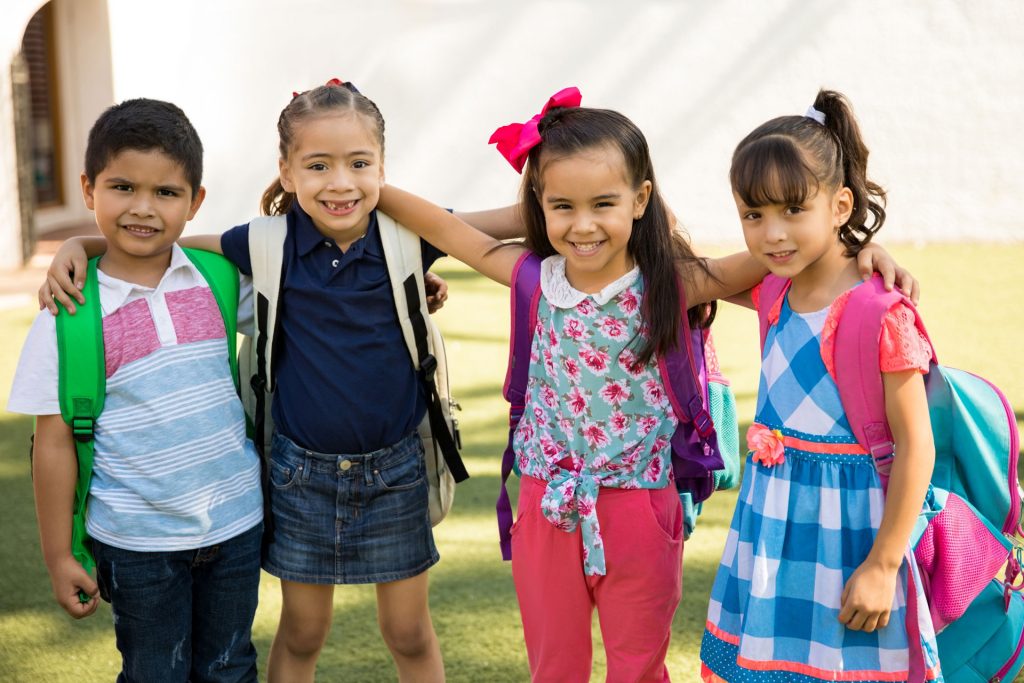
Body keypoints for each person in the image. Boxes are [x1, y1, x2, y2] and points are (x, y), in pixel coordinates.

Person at [373, 86, 911, 682]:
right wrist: (371, 190)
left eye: (604, 203)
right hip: (546, 504)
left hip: (640, 507)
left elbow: (785, 246)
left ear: (641, 199)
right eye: (562, 208)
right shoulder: (531, 277)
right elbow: (450, 233)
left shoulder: (672, 282)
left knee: (638, 670)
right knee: (554, 670)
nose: (583, 226)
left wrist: (863, 248)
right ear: (540, 206)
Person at [36, 80, 485, 683]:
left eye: (360, 164)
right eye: (317, 165)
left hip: (388, 472)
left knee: (404, 632)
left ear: (383, 166)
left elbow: (504, 226)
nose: (340, 182)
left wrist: (390, 210)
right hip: (295, 477)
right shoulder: (262, 245)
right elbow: (161, 241)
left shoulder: (400, 238)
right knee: (294, 635)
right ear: (287, 169)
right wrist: (81, 243)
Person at [8, 98, 264, 682]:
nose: (143, 208)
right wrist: (58, 555)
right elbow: (50, 445)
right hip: (135, 540)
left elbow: (308, 293)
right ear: (88, 189)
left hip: (237, 524)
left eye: (167, 193)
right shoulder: (68, 311)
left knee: (232, 669)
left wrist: (408, 285)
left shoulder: (219, 278)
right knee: (155, 674)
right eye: (122, 187)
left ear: (195, 201)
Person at [699, 90, 942, 682]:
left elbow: (917, 445)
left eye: (791, 211)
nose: (772, 234)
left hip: (853, 535)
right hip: (774, 525)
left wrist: (883, 565)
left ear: (840, 205)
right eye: (753, 215)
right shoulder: (773, 289)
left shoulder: (880, 313)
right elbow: (677, 265)